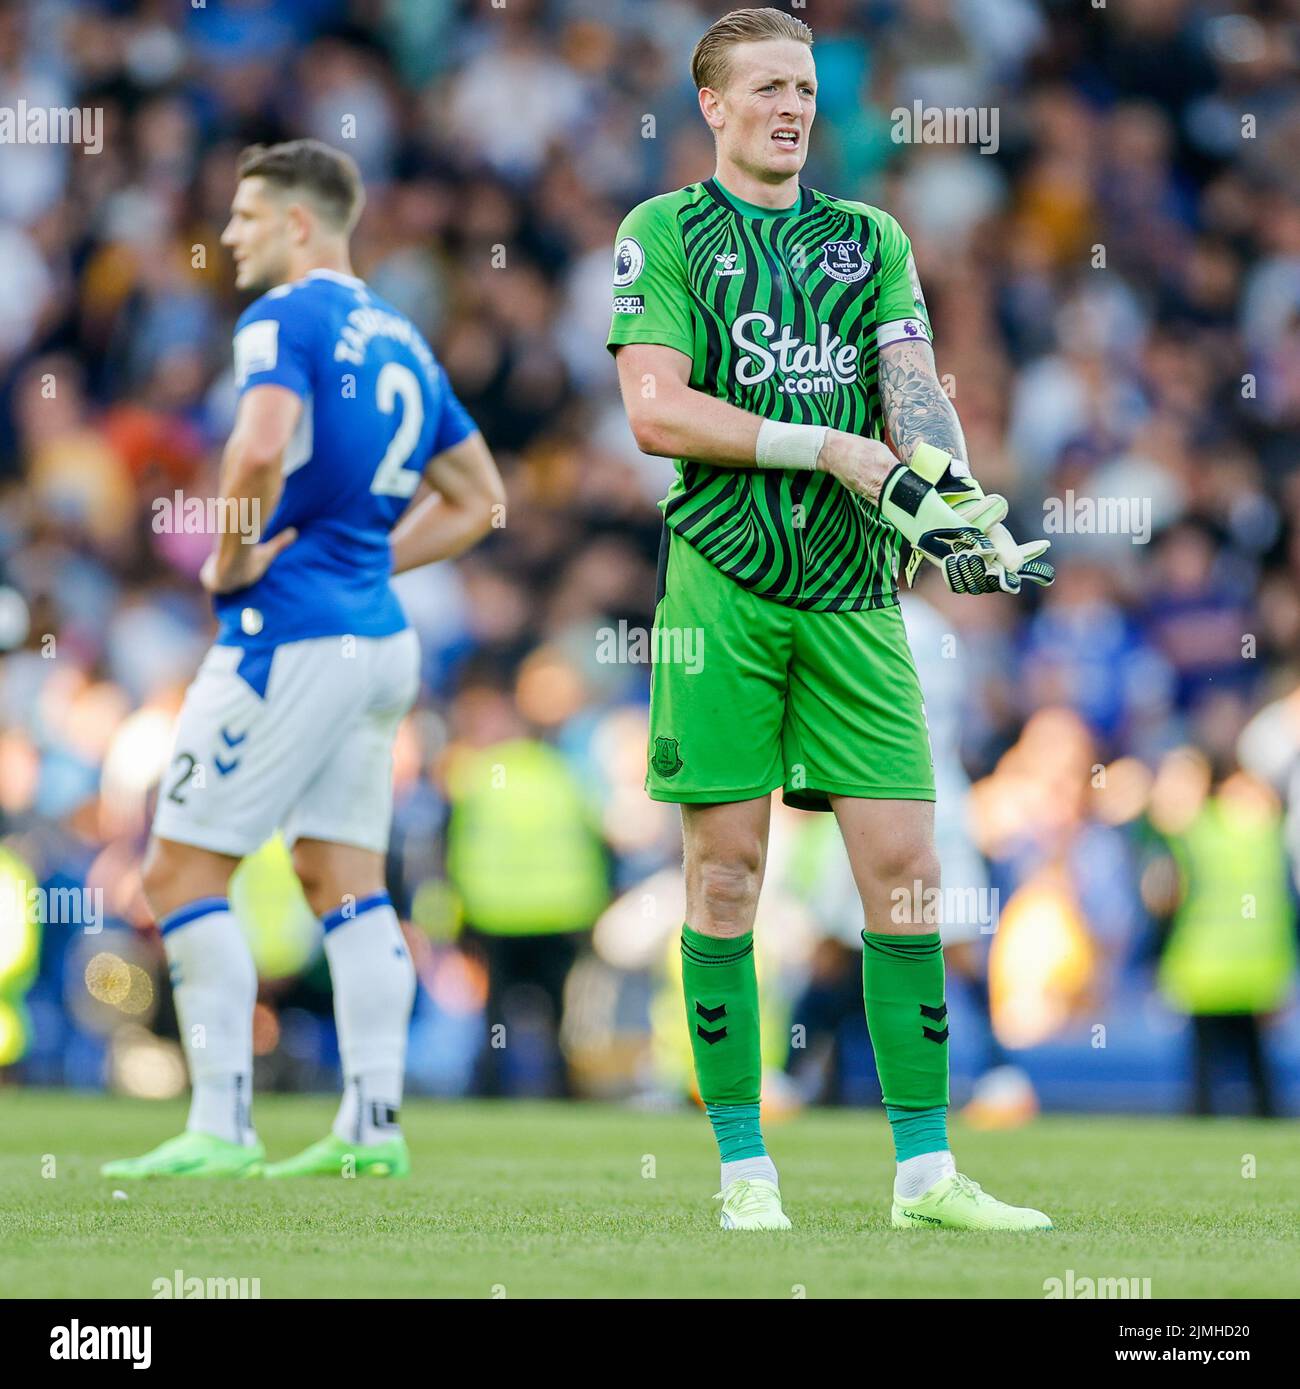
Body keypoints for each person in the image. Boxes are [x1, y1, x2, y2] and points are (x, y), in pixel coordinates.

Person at [607, 7, 1054, 1231]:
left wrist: (944, 488)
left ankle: (926, 1175)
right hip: (722, 587)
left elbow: (913, 385)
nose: (790, 107)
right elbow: (656, 412)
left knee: (909, 877)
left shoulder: (869, 239)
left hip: (857, 593)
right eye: (763, 88)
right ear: (711, 105)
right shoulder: (665, 233)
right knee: (727, 874)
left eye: (801, 86)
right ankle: (745, 1171)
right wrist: (833, 450)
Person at [102, 139, 505, 1180]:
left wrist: (233, 557)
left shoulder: (284, 318)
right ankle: (371, 1129)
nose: (228, 235)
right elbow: (481, 501)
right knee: (343, 877)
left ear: (297, 222)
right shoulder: (405, 339)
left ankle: (221, 1125)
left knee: (180, 868)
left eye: (244, 216)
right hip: (378, 645)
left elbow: (260, 440)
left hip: (286, 638)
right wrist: (372, 557)